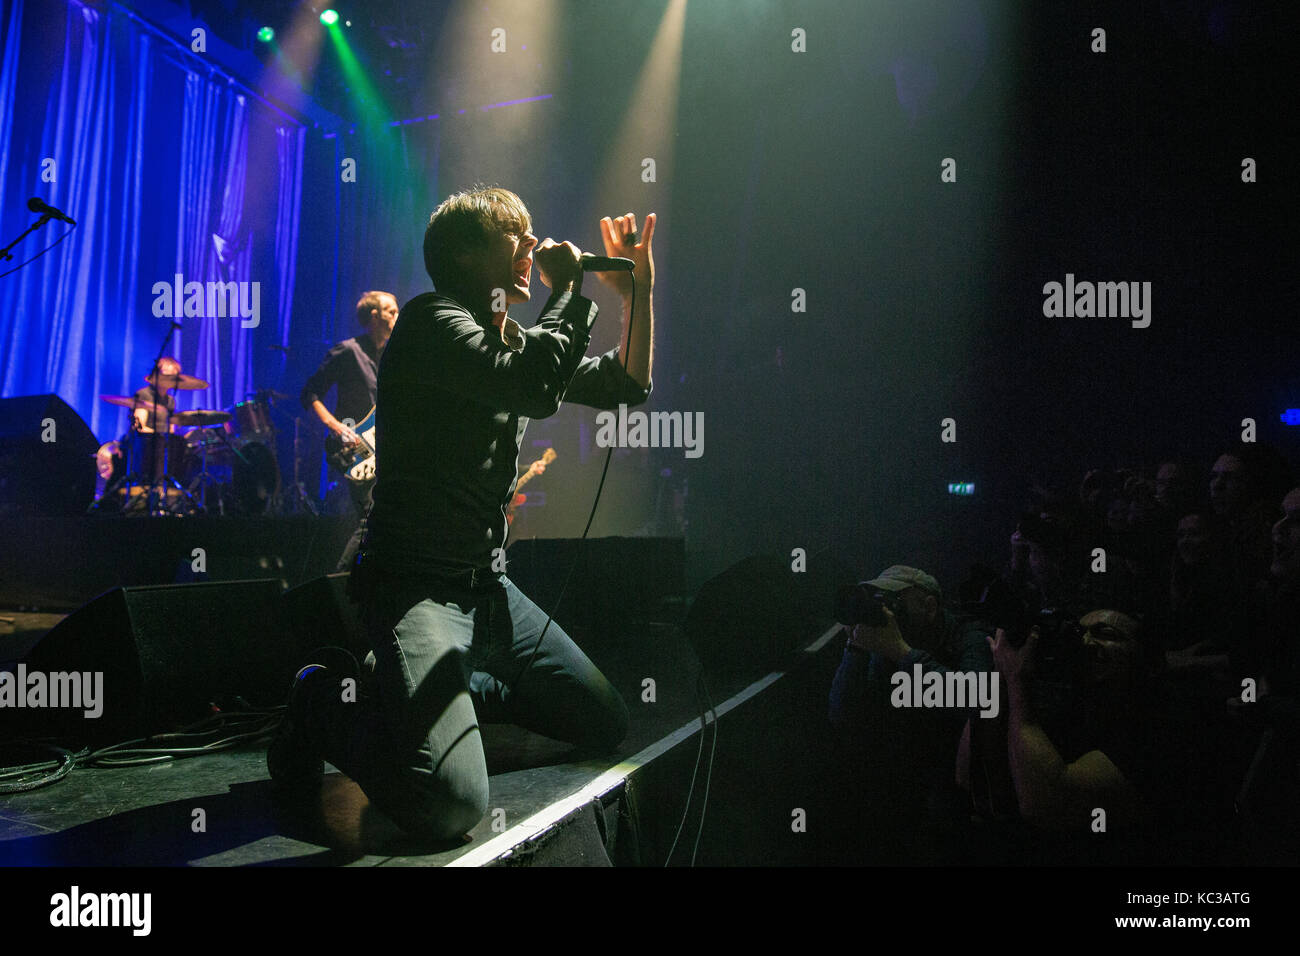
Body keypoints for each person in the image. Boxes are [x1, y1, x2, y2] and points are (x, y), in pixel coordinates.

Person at [270, 186, 656, 843]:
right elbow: (535, 387)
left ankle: (441, 698)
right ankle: (320, 706)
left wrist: (638, 294)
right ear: (467, 254)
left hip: (489, 590)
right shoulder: (431, 323)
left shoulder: (517, 343)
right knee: (450, 805)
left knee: (604, 722)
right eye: (517, 235)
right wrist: (569, 290)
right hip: (416, 587)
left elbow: (628, 387)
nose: (534, 246)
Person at [828, 565, 994, 862]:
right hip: (903, 786)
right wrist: (854, 648)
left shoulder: (969, 636)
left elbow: (977, 700)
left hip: (959, 789)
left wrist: (902, 653)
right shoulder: (884, 645)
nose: (887, 613)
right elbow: (843, 716)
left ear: (929, 606)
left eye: (894, 603)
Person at [300, 290, 399, 570]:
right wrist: (336, 428)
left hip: (381, 448)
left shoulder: (388, 356)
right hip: (354, 448)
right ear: (373, 316)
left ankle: (362, 581)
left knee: (381, 518)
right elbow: (310, 393)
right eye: (391, 311)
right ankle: (339, 582)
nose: (396, 316)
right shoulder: (347, 351)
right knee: (371, 517)